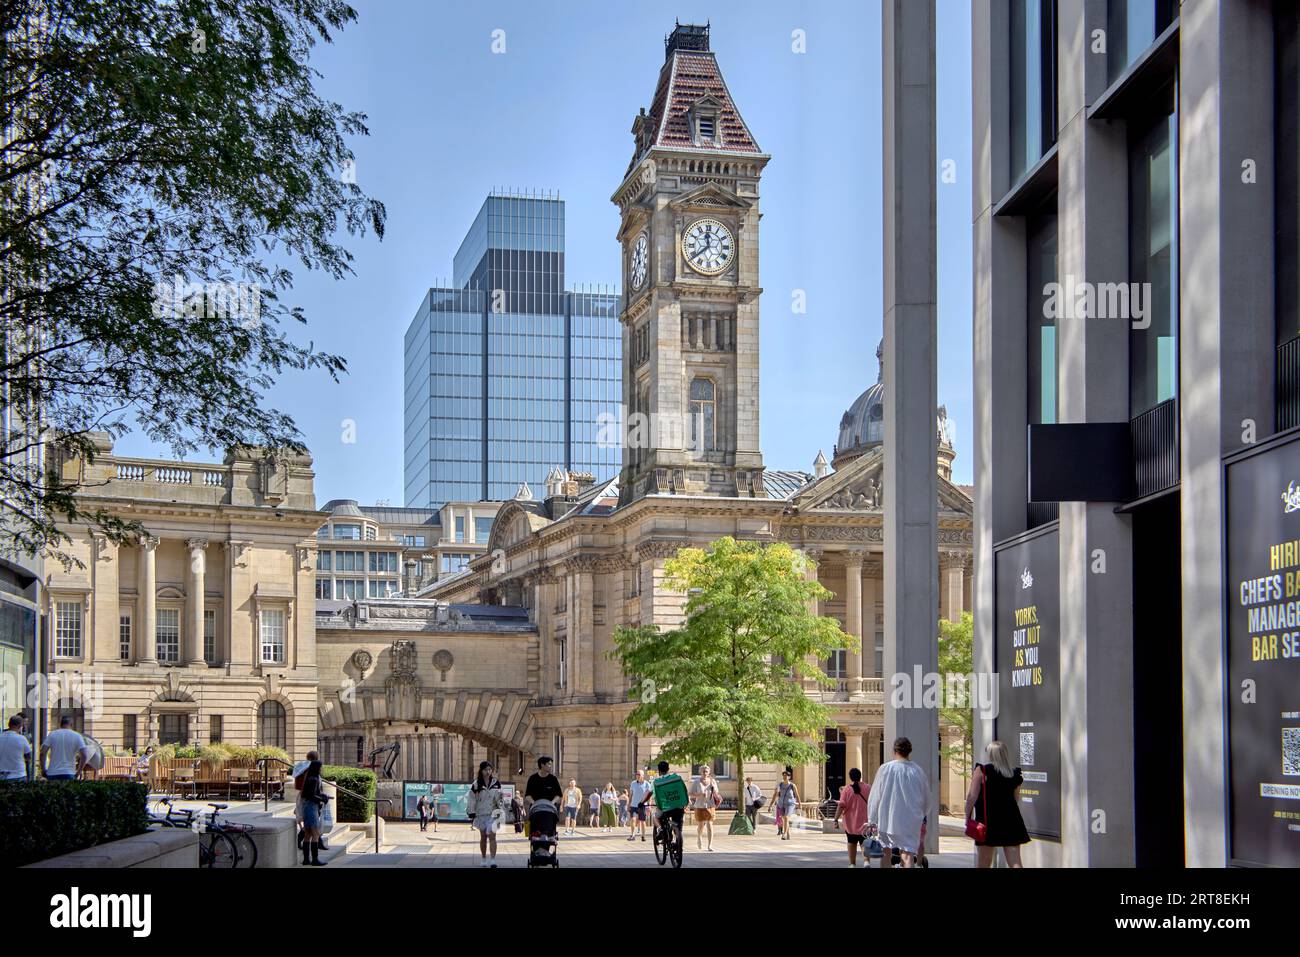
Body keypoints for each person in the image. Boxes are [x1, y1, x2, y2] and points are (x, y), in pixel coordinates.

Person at [867, 737, 931, 869]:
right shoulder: (917, 771)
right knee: (908, 855)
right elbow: (926, 797)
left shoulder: (885, 769)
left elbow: (875, 796)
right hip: (910, 820)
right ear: (909, 751)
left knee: (886, 853)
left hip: (888, 818)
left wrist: (872, 819)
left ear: (894, 751)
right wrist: (923, 814)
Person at [966, 740, 1030, 868]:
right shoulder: (1014, 773)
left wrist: (967, 816)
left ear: (990, 754)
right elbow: (1015, 798)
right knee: (1015, 862)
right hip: (1012, 820)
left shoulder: (982, 770)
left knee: (984, 862)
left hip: (987, 821)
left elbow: (971, 797)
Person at [467, 760, 503, 868]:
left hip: (493, 814)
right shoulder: (476, 784)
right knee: (483, 836)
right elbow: (471, 799)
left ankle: (492, 860)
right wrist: (471, 813)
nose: (488, 772)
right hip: (481, 814)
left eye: (490, 769)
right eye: (486, 770)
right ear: (481, 771)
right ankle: (483, 858)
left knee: (492, 836)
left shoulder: (496, 783)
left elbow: (500, 798)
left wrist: (500, 810)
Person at [833, 767, 871, 868]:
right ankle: (866, 861)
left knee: (851, 843)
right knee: (865, 842)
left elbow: (841, 805)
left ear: (850, 777)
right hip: (865, 821)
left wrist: (836, 819)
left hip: (851, 823)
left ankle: (852, 864)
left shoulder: (846, 790)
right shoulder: (868, 788)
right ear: (860, 776)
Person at [650, 760, 687, 852]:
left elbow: (650, 793)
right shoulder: (677, 778)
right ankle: (679, 847)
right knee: (678, 828)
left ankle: (660, 829)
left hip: (665, 808)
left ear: (659, 770)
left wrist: (642, 802)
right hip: (678, 806)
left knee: (655, 816)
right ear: (668, 769)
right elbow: (683, 790)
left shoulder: (656, 782)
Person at [299, 760, 330, 866]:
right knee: (316, 834)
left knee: (307, 834)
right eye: (321, 767)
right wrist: (322, 798)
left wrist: (321, 796)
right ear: (317, 768)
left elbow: (308, 794)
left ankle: (306, 860)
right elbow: (311, 796)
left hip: (307, 808)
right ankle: (315, 860)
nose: (322, 769)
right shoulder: (314, 779)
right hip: (311, 808)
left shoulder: (309, 778)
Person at [39, 715, 86, 781]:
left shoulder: (52, 734)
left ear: (60, 724)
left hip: (53, 773)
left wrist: (43, 769)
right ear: (71, 724)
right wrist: (78, 772)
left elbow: (42, 752)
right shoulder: (77, 736)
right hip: (69, 772)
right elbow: (84, 755)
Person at [689, 764, 721, 851]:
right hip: (699, 806)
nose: (704, 773)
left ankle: (710, 845)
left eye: (706, 771)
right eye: (703, 771)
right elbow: (690, 793)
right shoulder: (696, 782)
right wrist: (700, 794)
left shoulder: (712, 781)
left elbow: (717, 793)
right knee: (700, 826)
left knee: (710, 825)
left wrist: (714, 788)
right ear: (700, 772)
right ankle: (699, 838)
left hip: (710, 805)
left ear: (709, 772)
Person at [0, 715, 32, 782]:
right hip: (18, 774)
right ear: (20, 726)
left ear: (9, 724)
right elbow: (28, 756)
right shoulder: (22, 739)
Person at [628, 768, 652, 842]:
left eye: (639, 774)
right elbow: (631, 795)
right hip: (634, 805)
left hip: (642, 806)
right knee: (633, 819)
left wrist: (649, 806)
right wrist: (629, 804)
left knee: (642, 821)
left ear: (643, 775)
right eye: (636, 774)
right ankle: (632, 835)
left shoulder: (647, 784)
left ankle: (643, 836)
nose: (637, 776)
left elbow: (649, 796)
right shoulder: (633, 783)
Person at [774, 770, 799, 840]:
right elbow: (776, 793)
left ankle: (784, 834)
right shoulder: (780, 784)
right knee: (784, 819)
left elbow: (797, 794)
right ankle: (788, 834)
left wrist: (799, 804)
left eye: (786, 776)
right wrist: (773, 802)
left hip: (790, 804)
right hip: (782, 804)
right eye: (783, 776)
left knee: (786, 817)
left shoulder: (792, 785)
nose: (784, 777)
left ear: (789, 777)